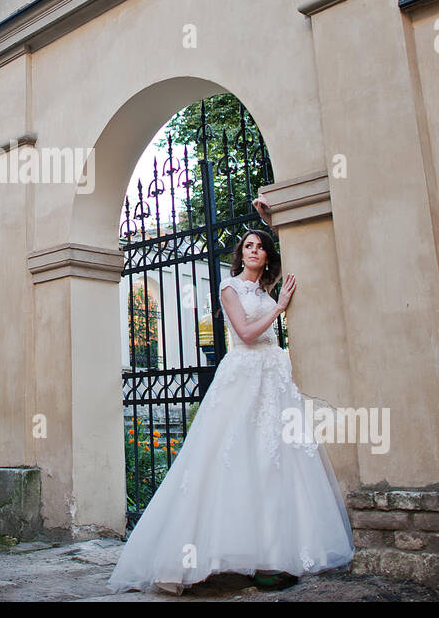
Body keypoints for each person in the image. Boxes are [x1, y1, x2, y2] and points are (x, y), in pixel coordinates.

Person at [107, 228, 354, 594]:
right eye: (248, 246)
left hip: (274, 381)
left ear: (268, 256)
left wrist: (268, 220)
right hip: (243, 378)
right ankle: (195, 557)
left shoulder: (264, 291)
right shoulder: (231, 287)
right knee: (230, 457)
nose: (254, 251)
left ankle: (272, 557)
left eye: (260, 247)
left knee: (275, 463)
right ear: (241, 255)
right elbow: (246, 332)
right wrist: (280, 308)